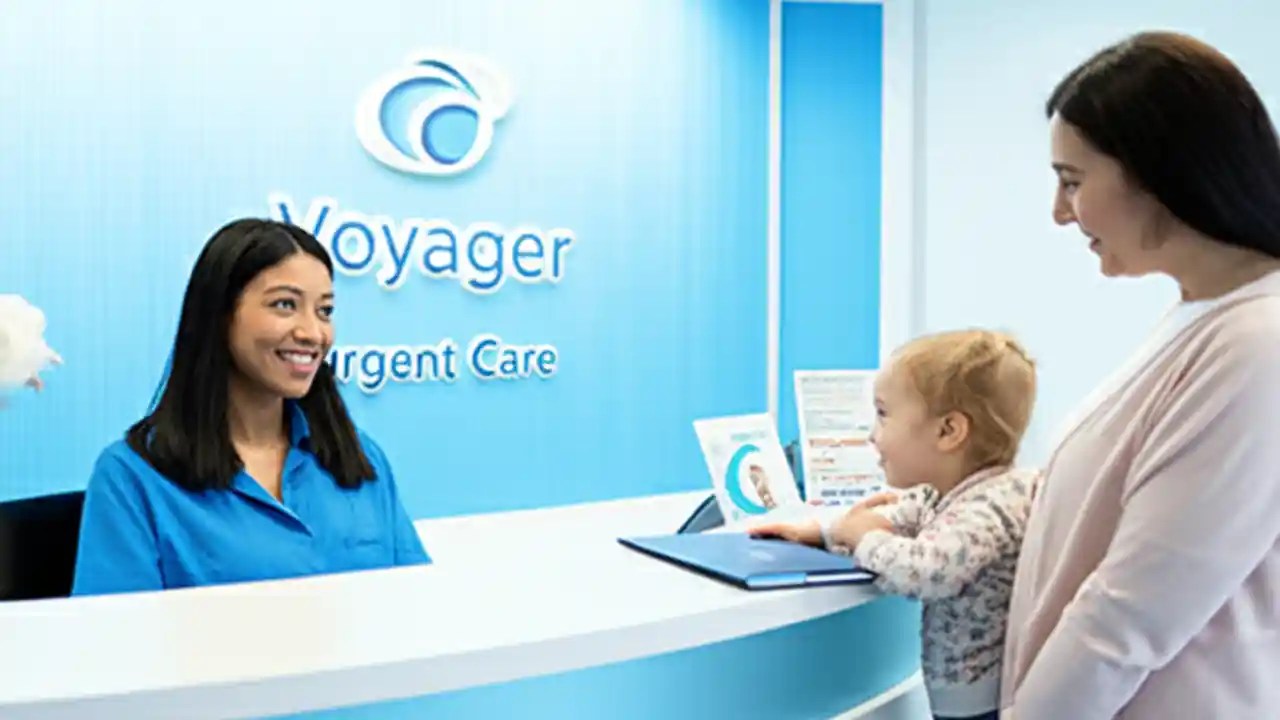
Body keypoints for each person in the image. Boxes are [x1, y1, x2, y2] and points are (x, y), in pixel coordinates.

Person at [1001, 31, 1280, 719]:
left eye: (1072, 182)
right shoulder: (1203, 318)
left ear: (1159, 171)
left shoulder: (1258, 345)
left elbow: (1125, 617)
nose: (1060, 213)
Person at [72, 219, 430, 595]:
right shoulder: (132, 477)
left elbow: (414, 605)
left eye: (324, 311)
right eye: (285, 305)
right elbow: (113, 643)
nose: (313, 332)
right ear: (220, 315)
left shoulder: (358, 455)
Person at [751, 329, 1039, 720]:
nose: (872, 435)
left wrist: (865, 536)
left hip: (982, 706)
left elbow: (924, 572)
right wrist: (822, 533)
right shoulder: (945, 494)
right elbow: (893, 519)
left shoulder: (990, 508)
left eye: (883, 414)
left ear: (948, 431)